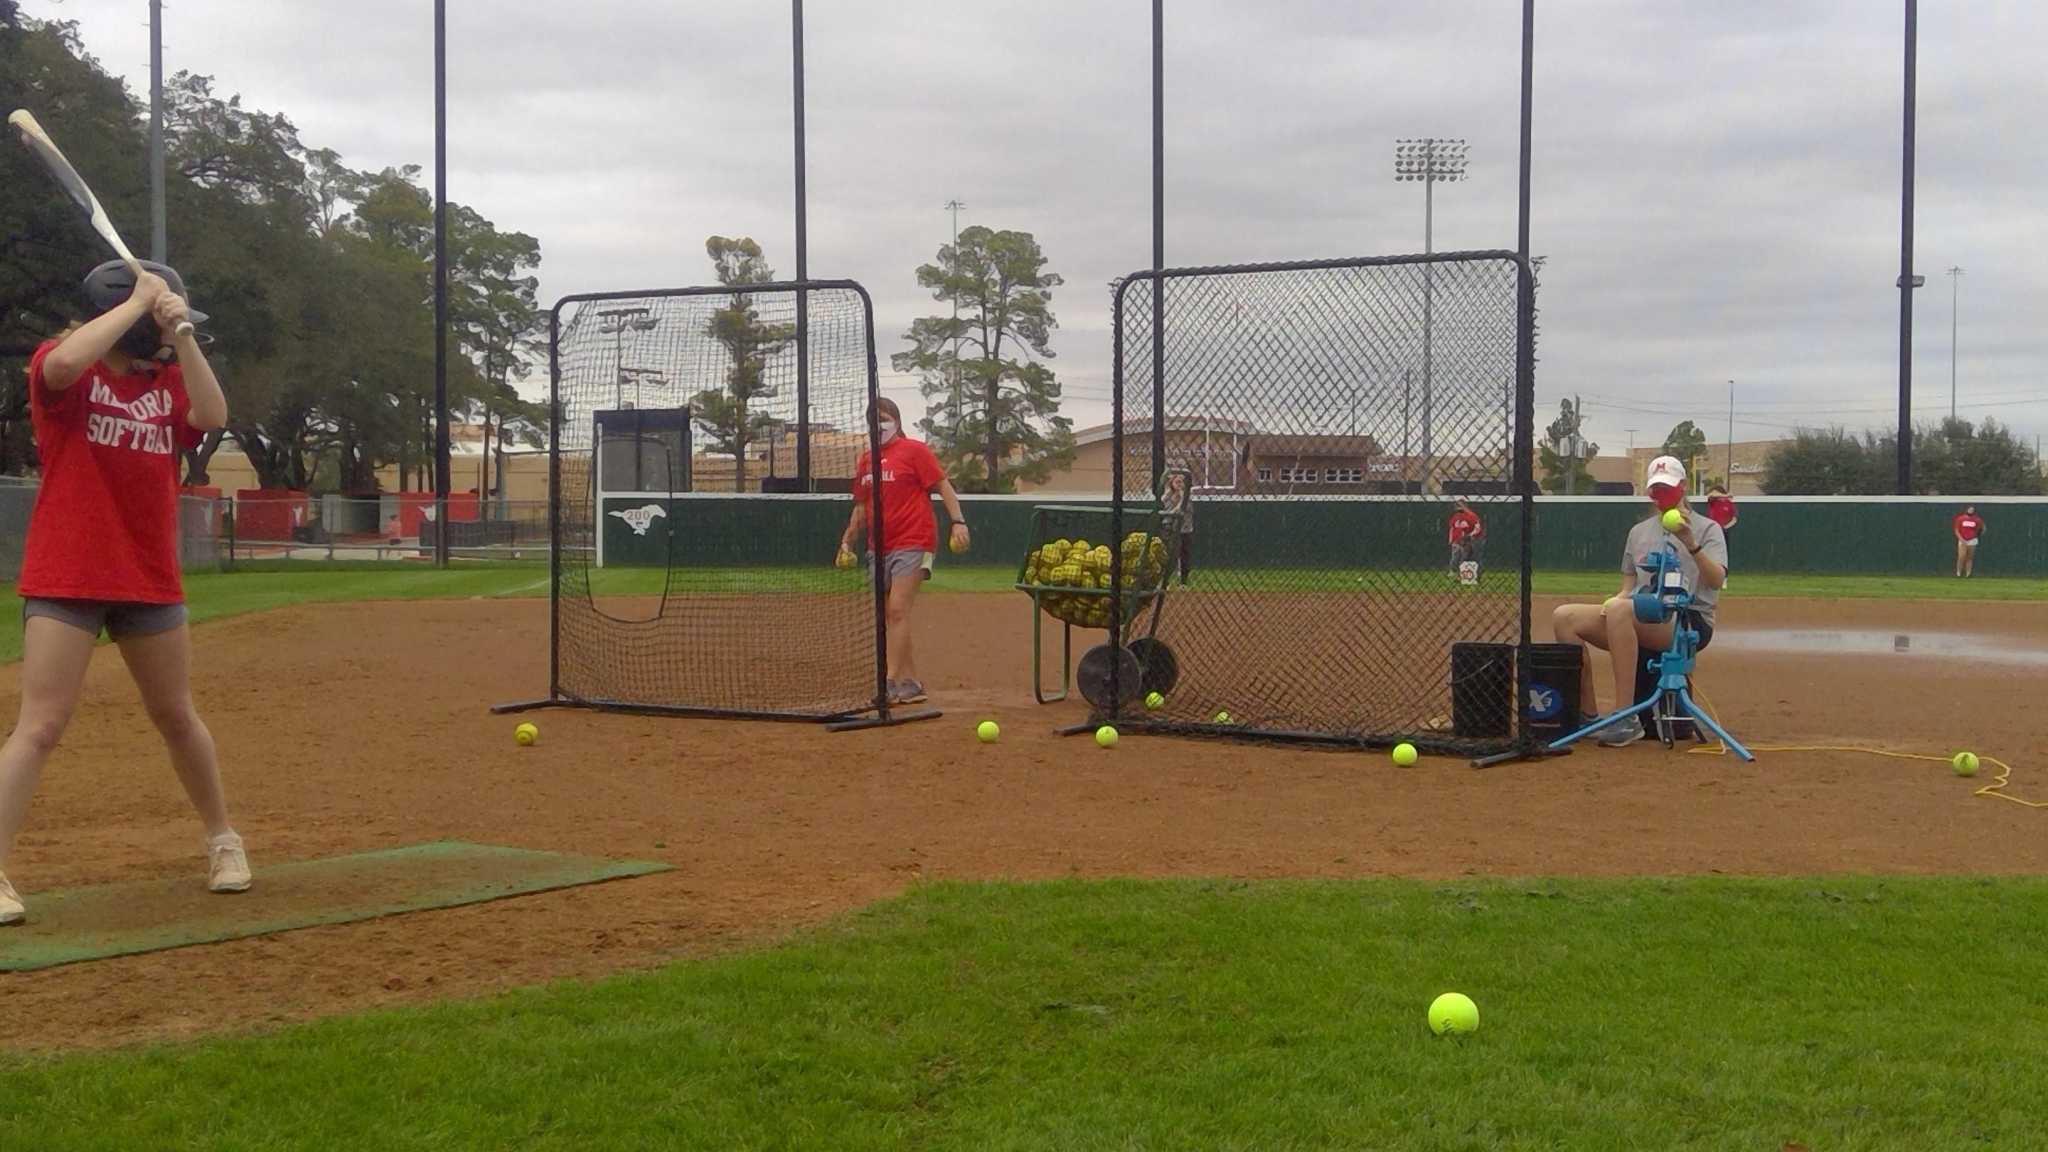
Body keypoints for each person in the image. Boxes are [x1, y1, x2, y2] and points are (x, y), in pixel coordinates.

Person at [0, 261, 246, 926]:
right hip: (68, 575)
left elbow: (214, 413)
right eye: (157, 327)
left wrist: (183, 333)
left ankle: (224, 841)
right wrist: (140, 298)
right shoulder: (66, 369)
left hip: (146, 576)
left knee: (175, 715)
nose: (166, 337)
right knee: (42, 725)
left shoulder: (168, 382)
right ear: (131, 323)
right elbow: (58, 368)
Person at [1550, 455, 1728, 748]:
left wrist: (1690, 542)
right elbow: (1628, 588)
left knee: (1622, 610)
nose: (1661, 494)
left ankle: (1625, 718)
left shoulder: (1708, 529)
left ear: (1682, 486)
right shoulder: (1639, 532)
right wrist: (1615, 601)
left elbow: (1716, 580)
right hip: (1642, 612)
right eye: (1656, 488)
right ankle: (1588, 715)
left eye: (1667, 487)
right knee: (1564, 616)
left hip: (1687, 621)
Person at [838, 397, 969, 705]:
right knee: (890, 616)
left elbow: (943, 486)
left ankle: (889, 682)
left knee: (897, 609)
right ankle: (911, 683)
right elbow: (861, 505)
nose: (878, 425)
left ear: (896, 420)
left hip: (914, 539)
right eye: (873, 420)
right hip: (878, 545)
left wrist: (958, 522)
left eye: (883, 418)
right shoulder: (866, 460)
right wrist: (846, 540)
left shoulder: (914, 451)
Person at [1161, 470, 1194, 585]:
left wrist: (1182, 497)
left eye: (1181, 482)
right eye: (1177, 482)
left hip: (1185, 528)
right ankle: (1166, 581)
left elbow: (1186, 510)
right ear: (1172, 483)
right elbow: (1168, 509)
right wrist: (1175, 497)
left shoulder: (1187, 496)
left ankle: (1183, 582)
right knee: (1170, 555)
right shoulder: (1168, 495)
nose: (1179, 484)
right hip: (1170, 528)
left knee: (1185, 554)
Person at [1447, 500, 1484, 580]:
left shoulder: (1472, 515)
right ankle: (1464, 576)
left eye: (1460, 505)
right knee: (1464, 557)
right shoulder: (1458, 516)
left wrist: (1470, 536)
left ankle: (1477, 575)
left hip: (1477, 538)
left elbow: (1477, 529)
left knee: (1476, 557)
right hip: (1468, 539)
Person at [1953, 505, 1984, 578]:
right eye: (1970, 509)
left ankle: (1968, 573)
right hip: (1962, 540)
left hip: (1972, 540)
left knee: (1970, 557)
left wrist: (1976, 535)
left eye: (1972, 510)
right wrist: (1961, 539)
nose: (1971, 511)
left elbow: (1982, 528)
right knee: (1961, 556)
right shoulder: (1960, 519)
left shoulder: (1977, 520)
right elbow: (1956, 530)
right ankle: (1958, 573)